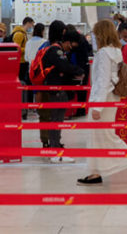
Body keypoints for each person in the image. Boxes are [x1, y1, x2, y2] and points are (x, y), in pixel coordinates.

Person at [77, 20, 127, 186]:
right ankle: (94, 173)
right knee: (98, 136)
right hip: (111, 97)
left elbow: (102, 81)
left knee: (104, 135)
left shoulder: (103, 53)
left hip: (102, 98)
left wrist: (97, 106)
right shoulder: (116, 51)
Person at [41, 30, 85, 162]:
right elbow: (64, 67)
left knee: (57, 120)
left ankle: (55, 146)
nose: (71, 49)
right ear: (67, 41)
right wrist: (79, 71)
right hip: (57, 90)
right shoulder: (56, 51)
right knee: (57, 120)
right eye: (72, 45)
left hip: (59, 89)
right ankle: (55, 151)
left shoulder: (58, 51)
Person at [36, 20, 66, 147]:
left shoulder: (43, 46)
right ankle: (53, 142)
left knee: (45, 115)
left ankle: (46, 142)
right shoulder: (55, 48)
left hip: (41, 86)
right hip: (50, 86)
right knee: (53, 116)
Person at [66, 24, 92, 119]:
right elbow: (89, 49)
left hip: (79, 67)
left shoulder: (77, 43)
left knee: (79, 89)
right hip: (84, 66)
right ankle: (81, 110)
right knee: (82, 90)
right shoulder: (82, 39)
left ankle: (78, 110)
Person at [11, 17, 35, 118]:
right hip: (20, 63)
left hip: (23, 62)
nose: (32, 27)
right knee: (22, 83)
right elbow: (15, 48)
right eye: (31, 25)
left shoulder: (23, 34)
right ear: (27, 23)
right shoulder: (19, 34)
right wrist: (28, 48)